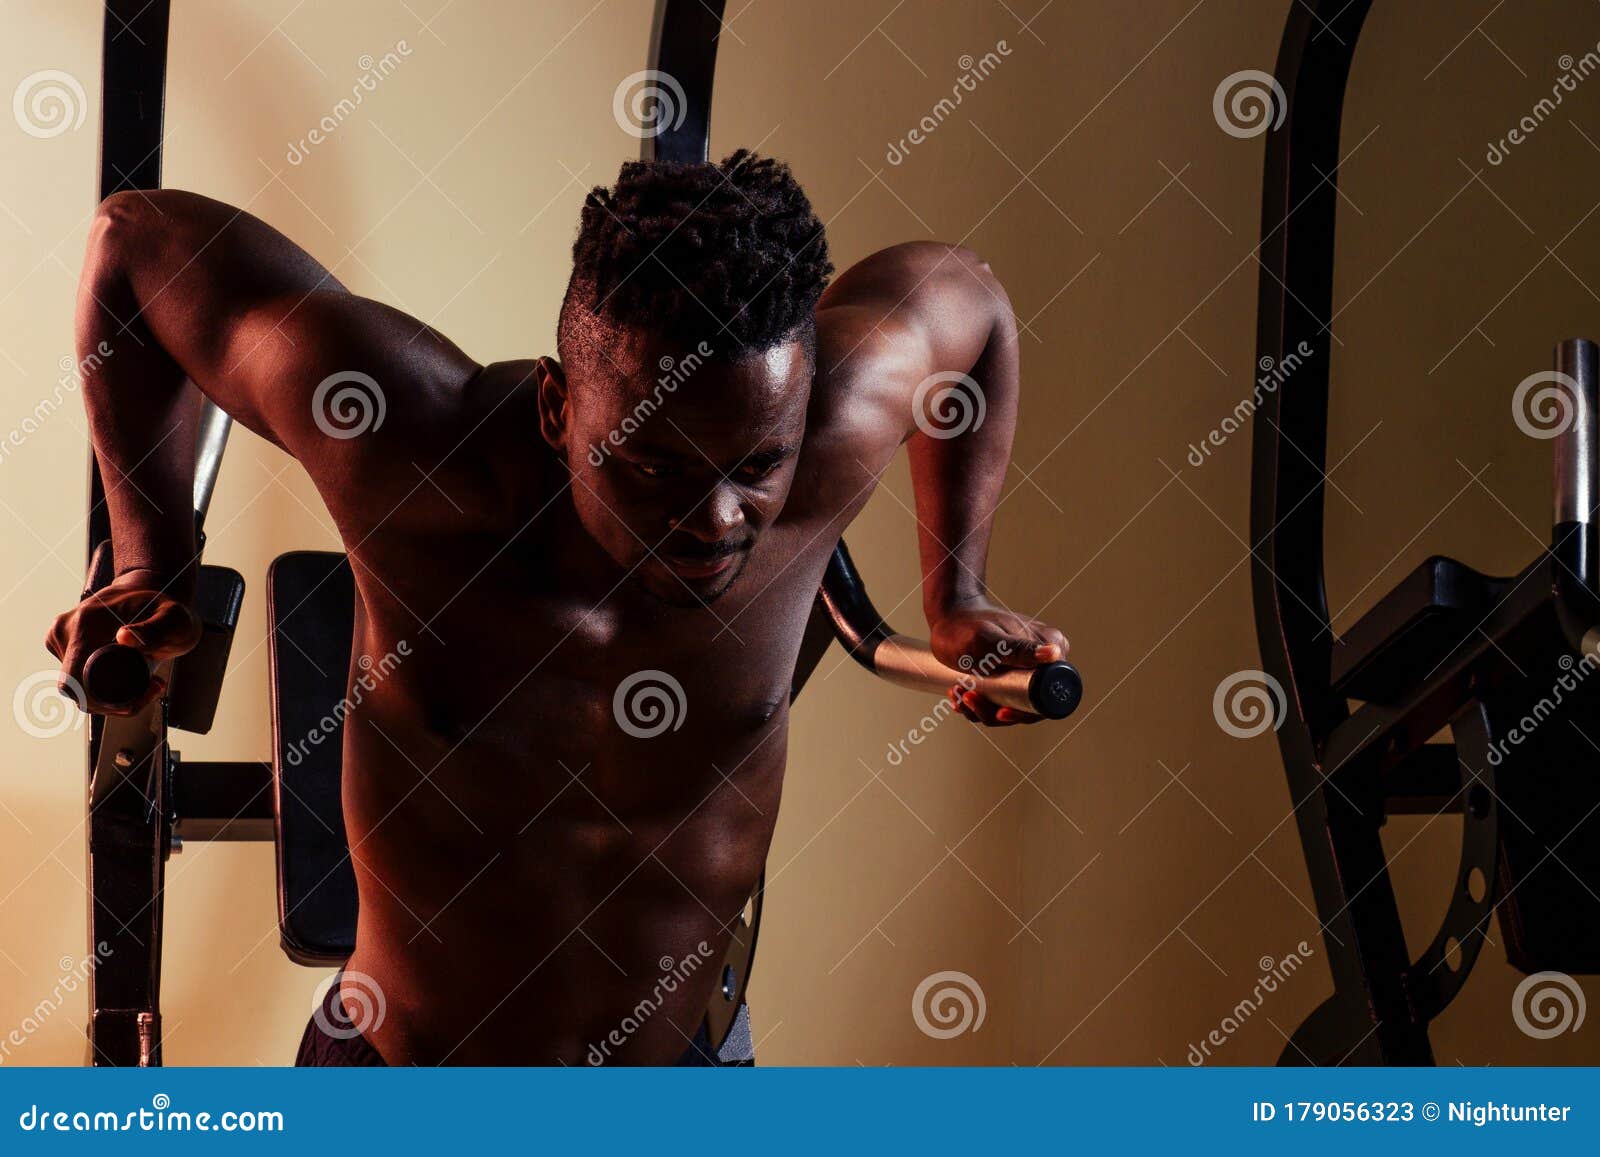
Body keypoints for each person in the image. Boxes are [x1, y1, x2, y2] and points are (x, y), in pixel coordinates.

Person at [46, 150, 1070, 1065]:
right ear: (554, 405)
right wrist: (152, 562)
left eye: (756, 464)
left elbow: (967, 296)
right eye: (655, 465)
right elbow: (132, 241)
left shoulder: (835, 432)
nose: (716, 519)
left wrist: (956, 593)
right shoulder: (409, 452)